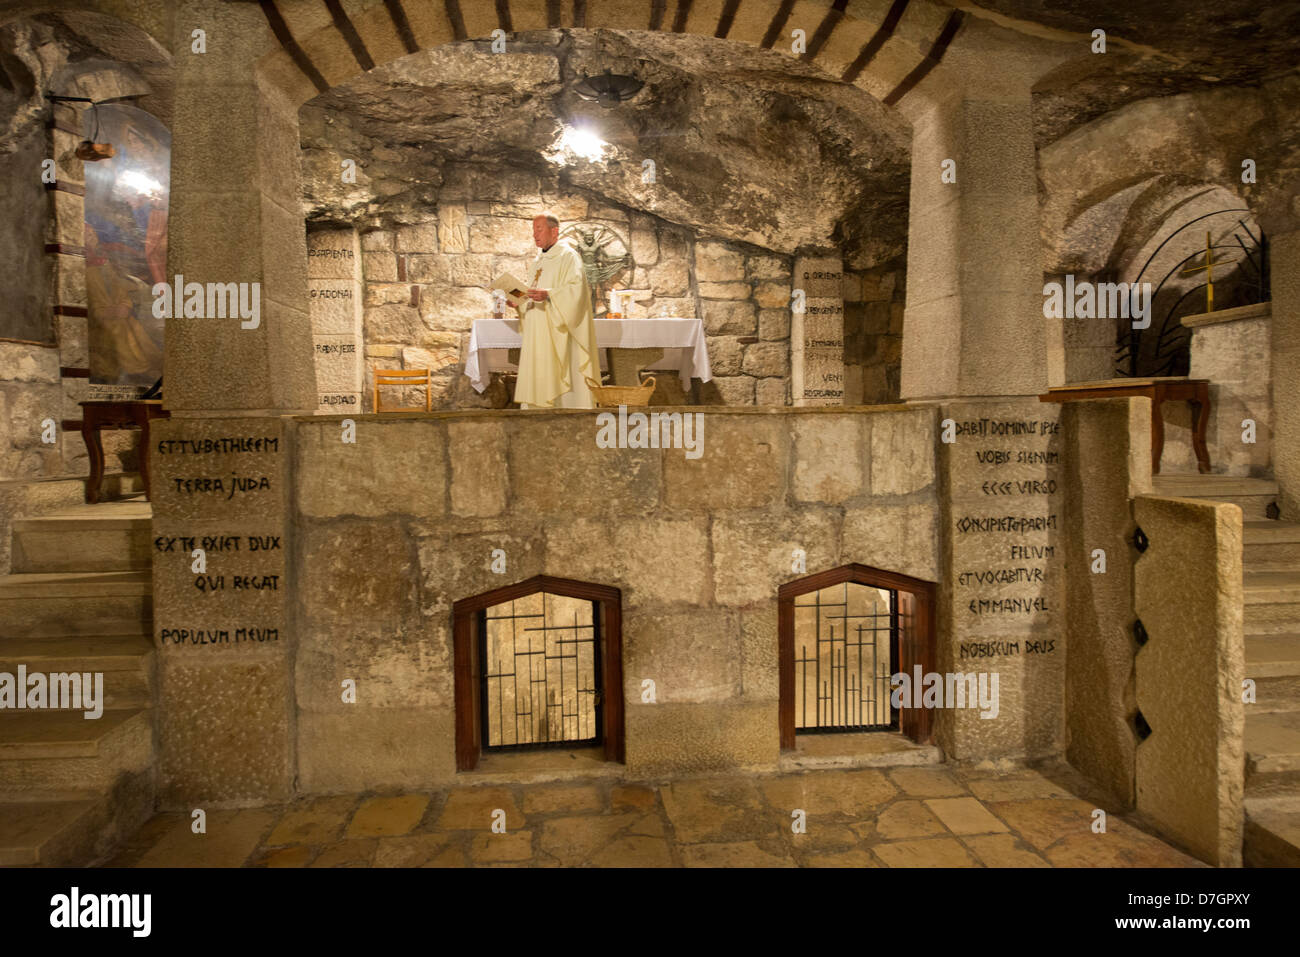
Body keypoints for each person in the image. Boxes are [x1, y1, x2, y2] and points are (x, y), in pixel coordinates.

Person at [508, 214, 600, 409]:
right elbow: (533, 292)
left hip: (557, 329)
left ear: (554, 231)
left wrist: (549, 295)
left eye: (539, 229)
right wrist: (519, 302)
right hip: (538, 328)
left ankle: (566, 408)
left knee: (559, 373)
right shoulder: (538, 261)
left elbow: (577, 290)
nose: (535, 235)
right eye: (533, 230)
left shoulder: (568, 256)